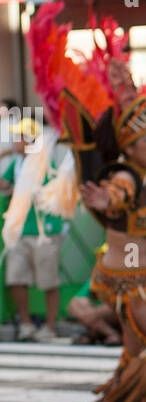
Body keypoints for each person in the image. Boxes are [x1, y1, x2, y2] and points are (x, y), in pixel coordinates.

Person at [28, 4, 146, 402]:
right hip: (129, 280)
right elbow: (119, 193)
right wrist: (107, 197)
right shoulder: (125, 175)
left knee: (136, 350)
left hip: (133, 275)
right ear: (130, 145)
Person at [0, 118, 72, 341]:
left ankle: (50, 327)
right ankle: (27, 325)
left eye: (19, 137)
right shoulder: (17, 164)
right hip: (20, 232)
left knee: (49, 281)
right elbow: (5, 185)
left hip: (46, 233)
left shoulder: (45, 163)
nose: (15, 142)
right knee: (16, 278)